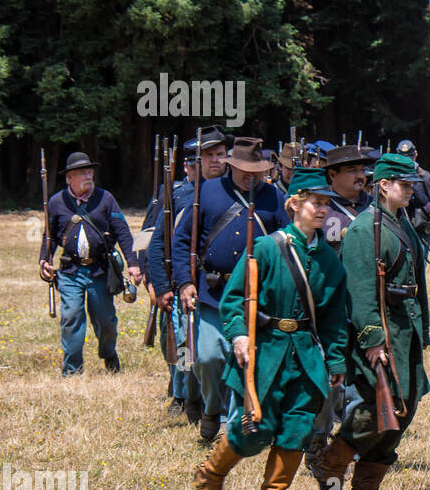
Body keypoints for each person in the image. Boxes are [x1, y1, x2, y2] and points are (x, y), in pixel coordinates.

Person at [191, 166, 349, 490]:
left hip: (306, 355)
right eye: (315, 203)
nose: (323, 210)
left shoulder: (329, 259)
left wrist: (336, 360)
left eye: (327, 204)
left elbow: (335, 317)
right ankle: (211, 475)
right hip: (266, 352)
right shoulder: (266, 247)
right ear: (294, 204)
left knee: (298, 428)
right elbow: (234, 300)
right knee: (254, 430)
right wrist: (238, 335)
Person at [311, 154, 430, 490]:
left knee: (404, 407)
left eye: (412, 185)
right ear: (384, 185)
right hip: (381, 331)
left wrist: (421, 327)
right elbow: (360, 290)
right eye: (404, 185)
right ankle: (331, 461)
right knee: (376, 409)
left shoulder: (402, 223)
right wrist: (372, 337)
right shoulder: (366, 229)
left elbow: (418, 282)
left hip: (404, 328)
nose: (411, 191)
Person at [173, 138, 289, 440]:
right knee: (208, 357)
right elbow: (183, 241)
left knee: (247, 358)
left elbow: (285, 244)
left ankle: (232, 420)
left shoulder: (274, 198)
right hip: (212, 292)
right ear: (232, 167)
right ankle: (212, 408)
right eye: (244, 171)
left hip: (255, 295)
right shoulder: (206, 192)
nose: (251, 177)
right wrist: (185, 282)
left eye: (257, 172)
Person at [40, 152, 143, 377]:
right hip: (70, 271)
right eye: (82, 173)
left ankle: (108, 353)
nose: (88, 176)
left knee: (106, 321)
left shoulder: (106, 199)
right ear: (69, 178)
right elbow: (49, 236)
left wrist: (133, 263)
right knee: (71, 317)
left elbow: (122, 232)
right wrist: (44, 260)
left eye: (90, 171)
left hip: (100, 270)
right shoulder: (57, 202)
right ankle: (72, 370)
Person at [146, 132, 226, 421]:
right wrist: (164, 286)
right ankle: (184, 395)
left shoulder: (233, 192)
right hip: (185, 284)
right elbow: (157, 245)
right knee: (185, 348)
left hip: (218, 285)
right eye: (209, 155)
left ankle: (212, 404)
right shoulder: (180, 196)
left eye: (221, 154)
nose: (216, 160)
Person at [321, 143, 374, 253]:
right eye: (352, 170)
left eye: (362, 170)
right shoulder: (322, 209)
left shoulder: (375, 206)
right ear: (332, 174)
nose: (360, 176)